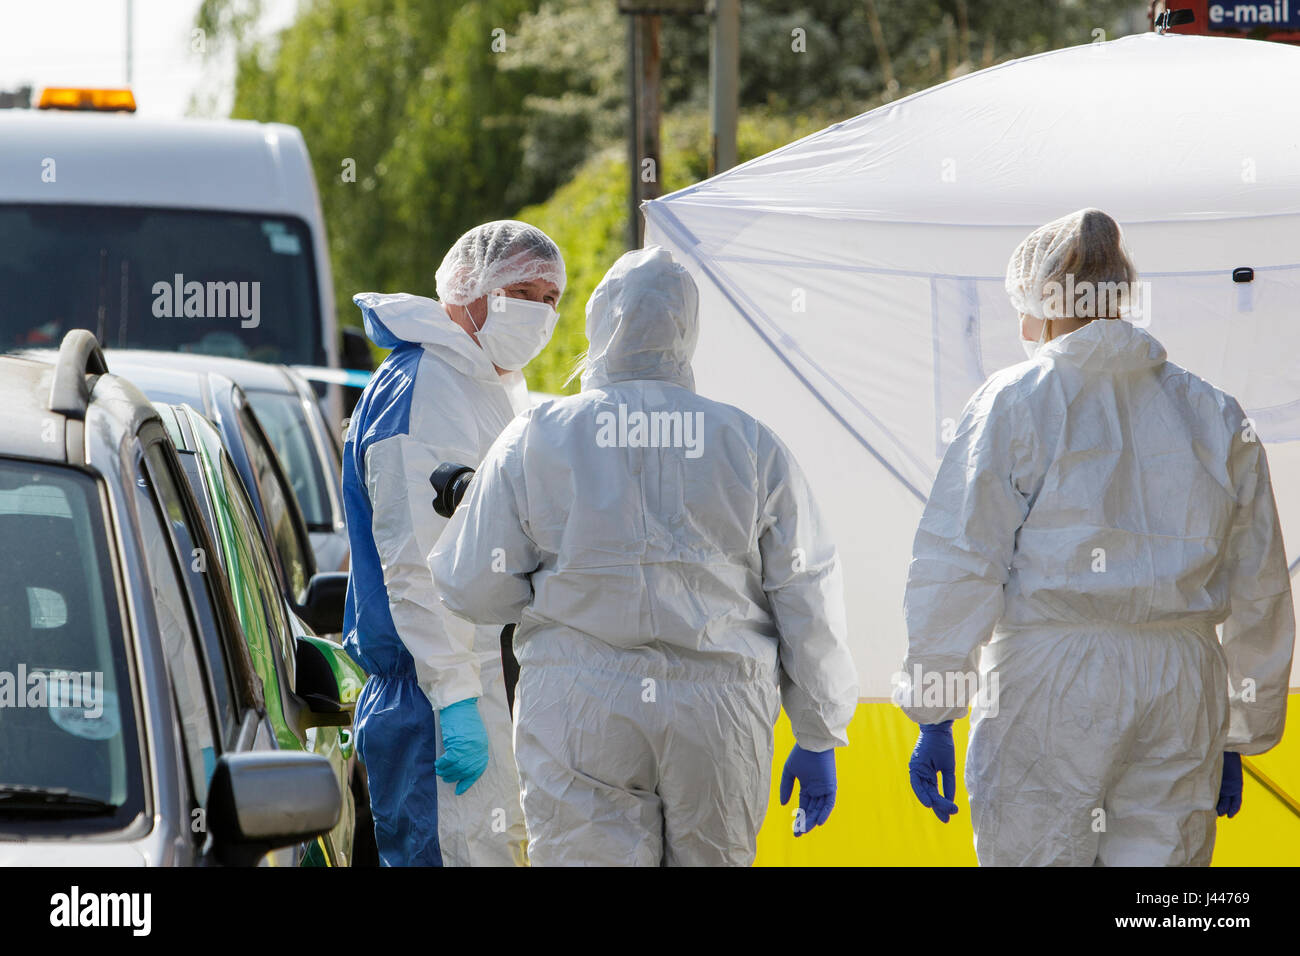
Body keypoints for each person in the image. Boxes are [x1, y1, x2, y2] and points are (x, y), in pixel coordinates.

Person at [429, 246, 859, 866]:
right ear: (688, 329)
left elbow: (472, 588)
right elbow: (806, 590)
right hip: (719, 711)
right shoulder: (751, 444)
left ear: (599, 322)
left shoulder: (539, 434)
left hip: (580, 704)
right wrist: (818, 731)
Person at [898, 208, 1295, 866]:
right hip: (1182, 683)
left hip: (1050, 681)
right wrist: (1239, 729)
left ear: (1043, 303)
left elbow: (962, 559)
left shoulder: (1016, 399)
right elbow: (1261, 585)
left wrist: (934, 705)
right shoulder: (1212, 410)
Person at [341, 220, 565, 866]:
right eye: (524, 291)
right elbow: (416, 562)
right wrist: (455, 698)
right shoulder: (429, 385)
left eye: (552, 300)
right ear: (469, 286)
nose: (540, 313)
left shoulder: (476, 386)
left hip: (479, 687)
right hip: (441, 700)